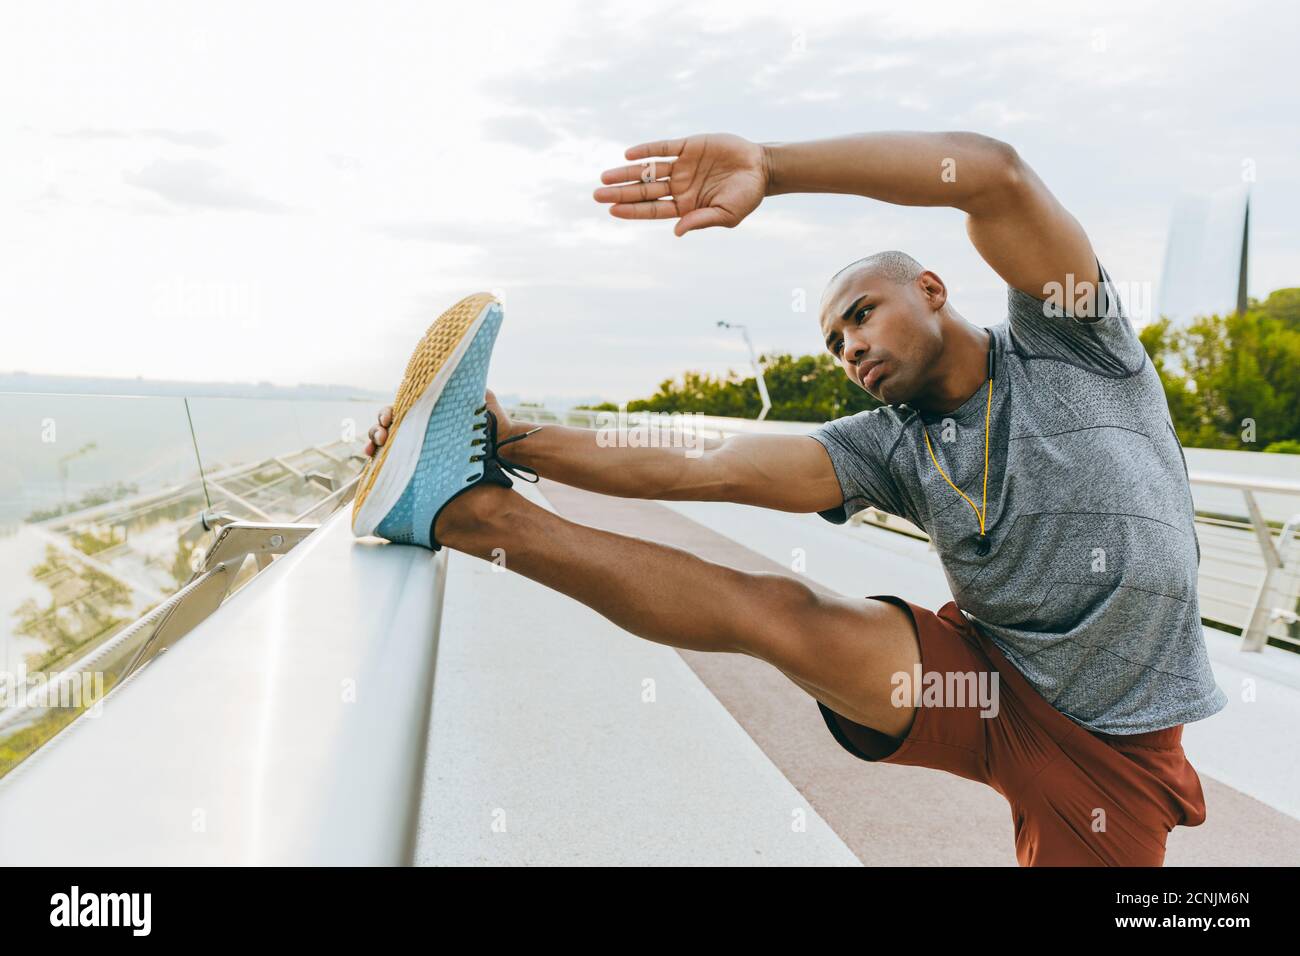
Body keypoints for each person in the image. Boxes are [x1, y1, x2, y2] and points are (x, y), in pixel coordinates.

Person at [352, 131, 1227, 866]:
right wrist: (504, 439)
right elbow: (702, 463)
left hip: (1115, 756)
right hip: (988, 690)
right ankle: (465, 510)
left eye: (861, 314)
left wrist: (772, 167)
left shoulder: (1073, 342)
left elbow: (994, 175)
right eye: (834, 340)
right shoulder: (884, 444)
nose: (849, 347)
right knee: (774, 608)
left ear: (930, 290)